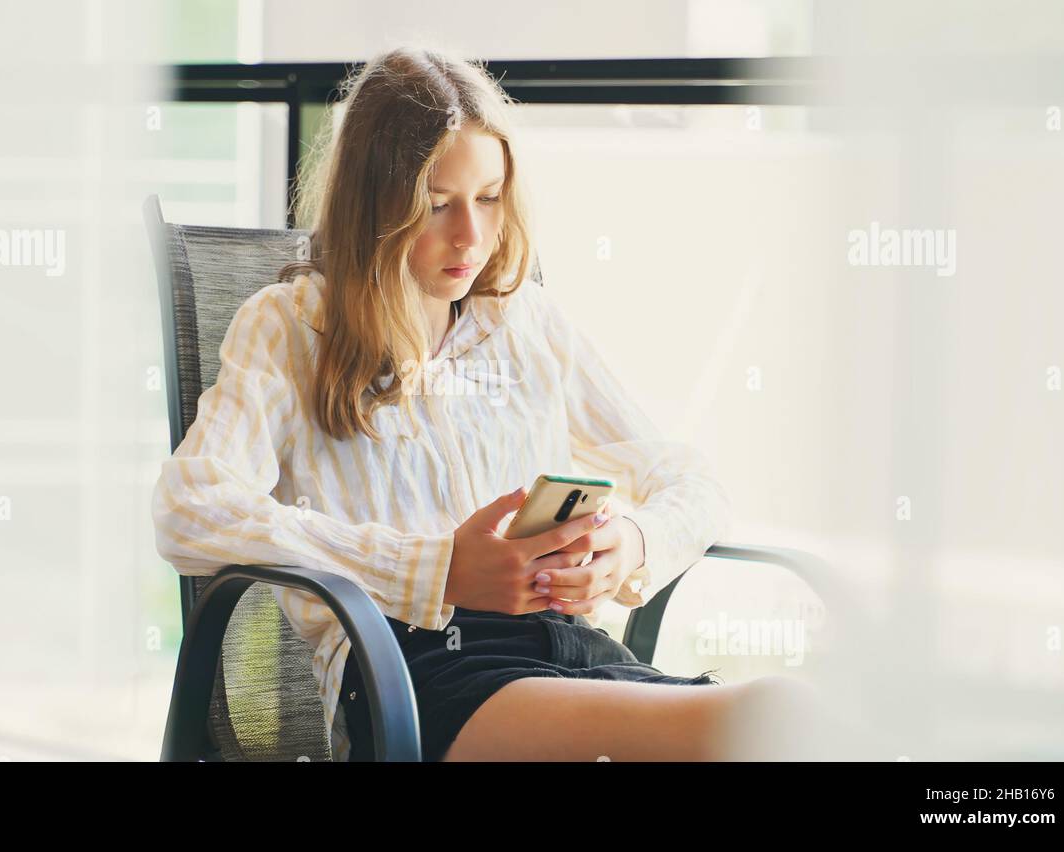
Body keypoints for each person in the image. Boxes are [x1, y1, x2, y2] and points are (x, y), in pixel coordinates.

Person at [152, 44, 814, 762]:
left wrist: (631, 545)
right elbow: (191, 508)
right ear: (377, 205)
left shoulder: (524, 323)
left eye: (490, 198)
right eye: (437, 205)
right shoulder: (288, 326)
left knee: (800, 724)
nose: (471, 235)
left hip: (571, 653)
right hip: (412, 673)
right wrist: (433, 569)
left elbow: (692, 482)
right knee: (775, 719)